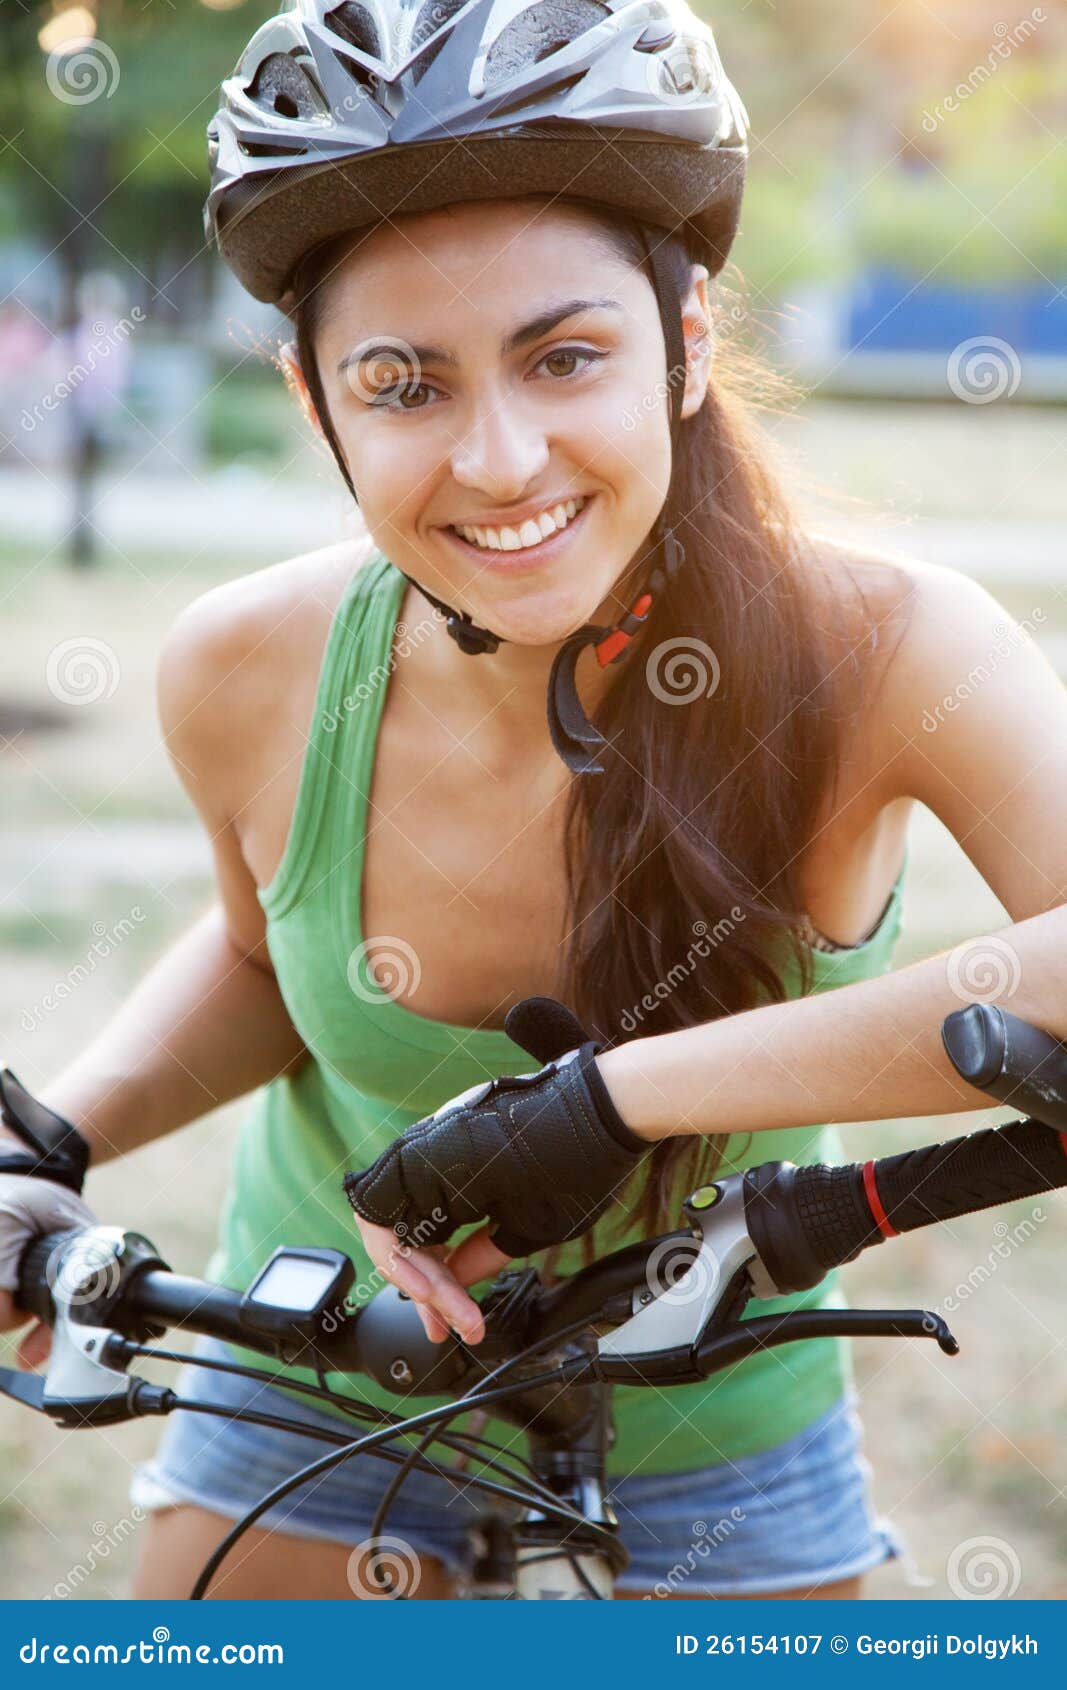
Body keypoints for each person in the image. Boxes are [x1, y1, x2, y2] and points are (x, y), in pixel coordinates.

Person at [3, 0, 1067, 1602]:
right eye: (405, 382)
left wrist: (610, 1100)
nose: (500, 459)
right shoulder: (242, 663)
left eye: (565, 356)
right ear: (316, 404)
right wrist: (58, 1137)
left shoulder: (889, 648)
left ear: (688, 341)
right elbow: (256, 959)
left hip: (724, 1426)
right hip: (318, 1375)